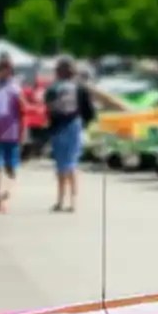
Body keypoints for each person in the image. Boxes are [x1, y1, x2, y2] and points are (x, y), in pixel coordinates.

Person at [45, 57, 96, 212]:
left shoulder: (53, 89)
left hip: (58, 127)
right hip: (74, 125)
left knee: (60, 164)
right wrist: (85, 123)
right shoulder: (80, 87)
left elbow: (48, 109)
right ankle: (73, 201)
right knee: (72, 163)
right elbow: (89, 111)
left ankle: (60, 200)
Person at [0, 54, 25, 212]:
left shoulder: (15, 89)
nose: (0, 72)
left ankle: (4, 195)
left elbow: (23, 112)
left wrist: (22, 133)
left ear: (10, 70)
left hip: (11, 133)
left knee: (10, 167)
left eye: (4, 69)